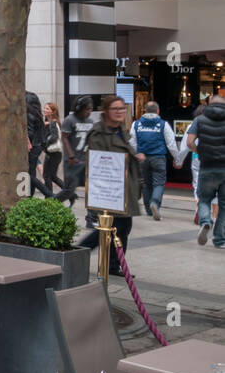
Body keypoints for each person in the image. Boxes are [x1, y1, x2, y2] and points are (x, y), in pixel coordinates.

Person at [79, 96, 143, 274]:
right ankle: (79, 252)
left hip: (124, 187)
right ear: (106, 111)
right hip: (110, 190)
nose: (119, 112)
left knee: (123, 227)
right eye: (115, 109)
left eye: (122, 109)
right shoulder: (99, 132)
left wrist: (135, 157)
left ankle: (114, 265)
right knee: (109, 228)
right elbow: (99, 160)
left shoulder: (121, 130)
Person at [183, 95, 225, 248]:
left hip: (207, 166)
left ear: (210, 104)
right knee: (224, 205)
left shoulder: (199, 120)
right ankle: (220, 240)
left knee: (204, 198)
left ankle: (206, 221)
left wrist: (199, 151)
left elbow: (189, 142)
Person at [133, 101, 181, 220]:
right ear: (158, 111)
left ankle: (149, 210)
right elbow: (171, 144)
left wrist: (136, 155)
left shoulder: (136, 124)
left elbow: (132, 143)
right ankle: (155, 203)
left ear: (144, 110)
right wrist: (177, 158)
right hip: (158, 157)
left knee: (146, 184)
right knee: (158, 183)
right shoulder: (163, 124)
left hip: (142, 158)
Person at [56, 96, 95, 206]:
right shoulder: (70, 120)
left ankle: (91, 218)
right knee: (69, 189)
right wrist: (71, 156)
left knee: (92, 190)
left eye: (90, 109)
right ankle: (49, 204)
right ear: (79, 108)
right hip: (72, 162)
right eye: (87, 109)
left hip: (85, 160)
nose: (89, 112)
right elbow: (65, 138)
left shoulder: (91, 121)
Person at [26, 91, 50, 198]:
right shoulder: (37, 114)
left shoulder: (29, 114)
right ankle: (30, 197)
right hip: (38, 145)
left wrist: (27, 141)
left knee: (29, 174)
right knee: (30, 172)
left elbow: (30, 132)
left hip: (32, 145)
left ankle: (48, 194)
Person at [41, 103, 66, 196]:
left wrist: (45, 145)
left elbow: (54, 137)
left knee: (47, 176)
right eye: (44, 108)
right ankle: (68, 192)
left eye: (47, 108)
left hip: (53, 153)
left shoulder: (53, 122)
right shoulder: (53, 122)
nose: (44, 110)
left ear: (52, 112)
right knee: (52, 176)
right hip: (55, 154)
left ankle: (49, 197)